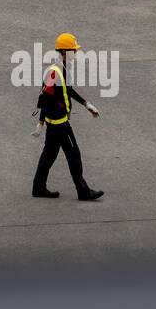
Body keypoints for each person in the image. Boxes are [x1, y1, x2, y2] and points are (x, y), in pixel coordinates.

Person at [32, 32, 104, 201]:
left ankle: (38, 187)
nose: (76, 53)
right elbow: (44, 98)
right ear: (65, 52)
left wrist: (87, 104)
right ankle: (83, 191)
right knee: (74, 155)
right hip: (60, 125)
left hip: (55, 125)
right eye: (73, 50)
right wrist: (41, 122)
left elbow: (68, 90)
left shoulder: (61, 69)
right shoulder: (54, 72)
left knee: (48, 155)